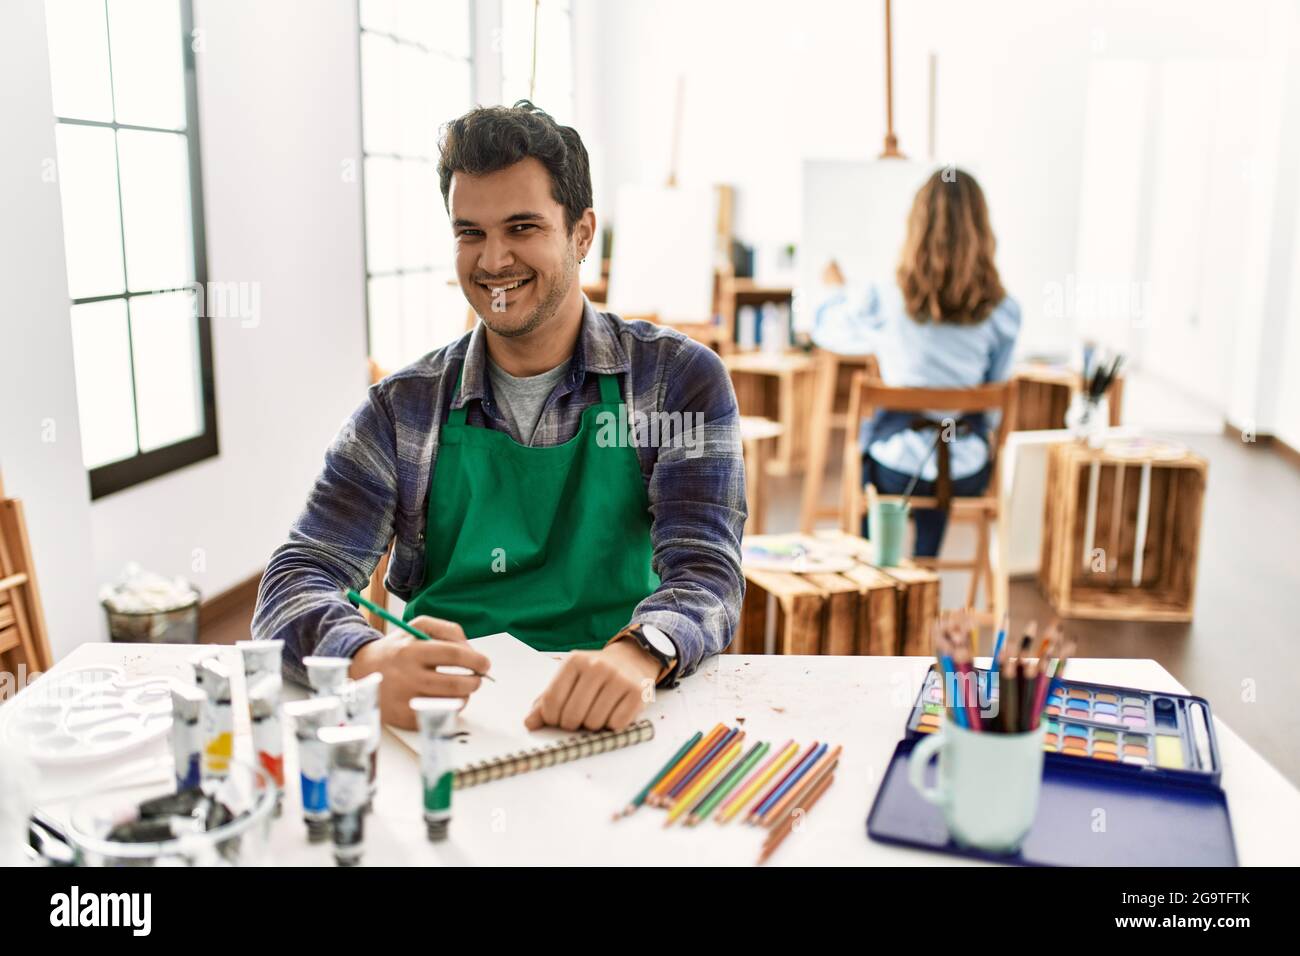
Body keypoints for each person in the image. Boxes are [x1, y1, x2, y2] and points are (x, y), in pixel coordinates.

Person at [253, 101, 745, 731]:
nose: (492, 262)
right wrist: (367, 659)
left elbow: (708, 569)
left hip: (624, 701)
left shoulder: (676, 381)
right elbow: (296, 576)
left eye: (521, 228)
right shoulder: (403, 409)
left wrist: (640, 652)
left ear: (582, 233)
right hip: (454, 718)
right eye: (471, 233)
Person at [813, 168, 1020, 556]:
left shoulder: (884, 298)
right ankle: (926, 566)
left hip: (896, 470)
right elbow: (991, 413)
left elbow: (826, 329)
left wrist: (836, 291)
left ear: (916, 226)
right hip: (966, 474)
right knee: (948, 442)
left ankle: (874, 569)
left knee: (881, 459)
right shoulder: (1004, 310)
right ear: (982, 228)